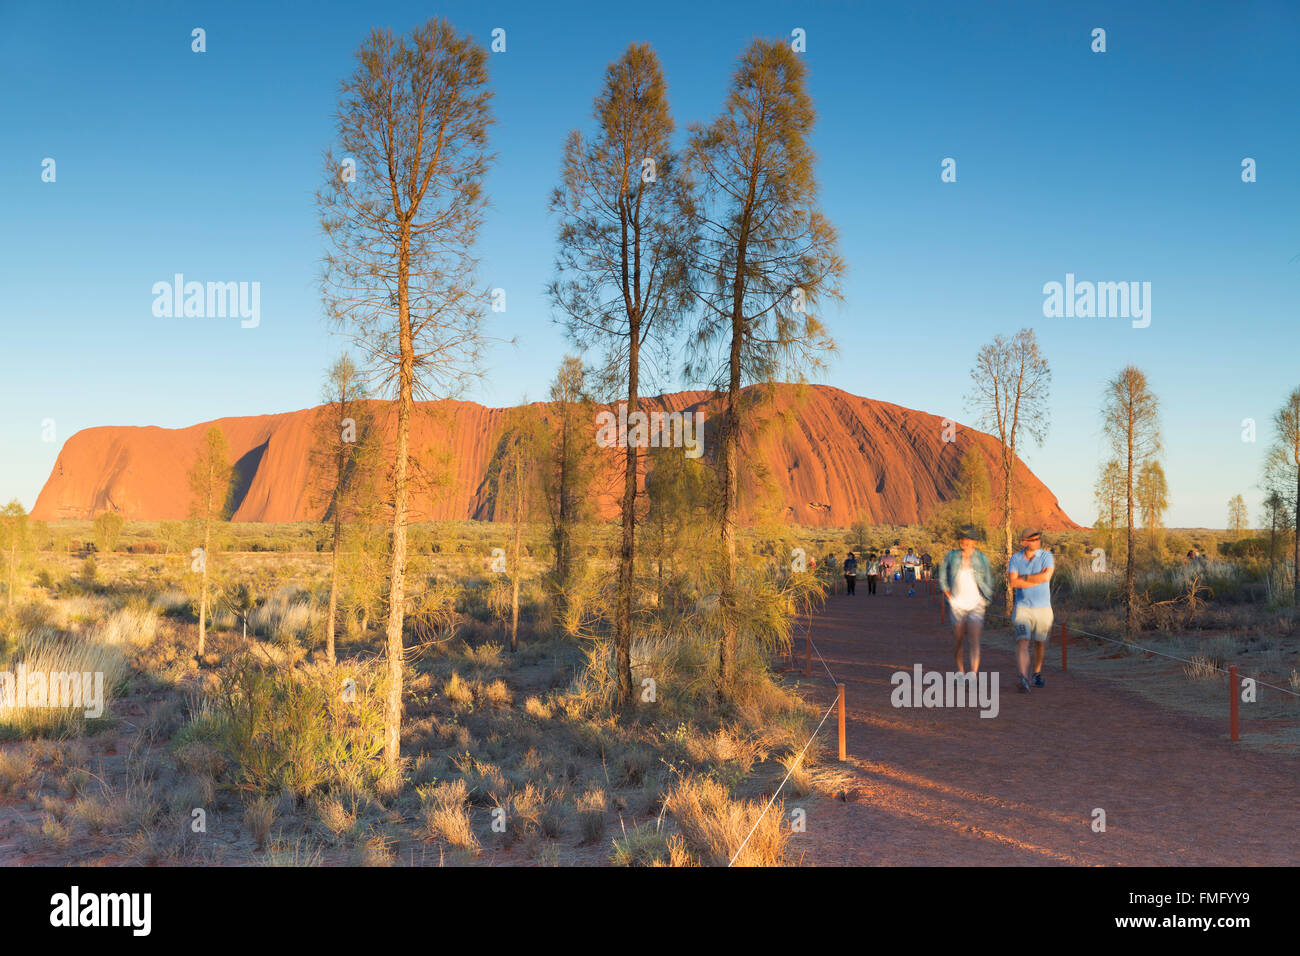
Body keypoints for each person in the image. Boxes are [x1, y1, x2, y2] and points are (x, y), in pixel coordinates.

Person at [938, 526, 993, 682]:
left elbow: (989, 579)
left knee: (974, 639)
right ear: (960, 541)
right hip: (957, 604)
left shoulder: (982, 558)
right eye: (964, 539)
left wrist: (985, 599)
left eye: (970, 539)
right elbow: (942, 576)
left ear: (975, 541)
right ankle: (960, 672)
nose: (966, 542)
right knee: (959, 639)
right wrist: (948, 594)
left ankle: (973, 675)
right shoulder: (951, 556)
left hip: (976, 603)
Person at [1008, 528, 1055, 693]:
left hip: (1043, 608)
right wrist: (1036, 578)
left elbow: (1046, 577)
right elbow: (1013, 583)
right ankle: (1023, 677)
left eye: (1038, 538)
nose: (1037, 541)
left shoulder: (1046, 556)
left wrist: (1024, 578)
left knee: (1039, 643)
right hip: (1023, 608)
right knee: (1023, 640)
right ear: (1024, 542)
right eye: (1032, 538)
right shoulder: (1015, 559)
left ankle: (1036, 673)